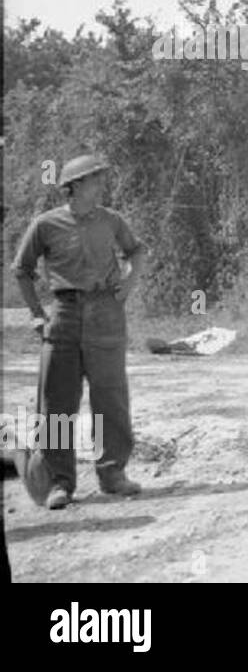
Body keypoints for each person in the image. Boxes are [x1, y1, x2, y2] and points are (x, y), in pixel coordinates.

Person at [11, 154, 149, 509]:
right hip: (65, 315)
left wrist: (129, 284)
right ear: (73, 186)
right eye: (93, 179)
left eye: (101, 178)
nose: (101, 184)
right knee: (57, 404)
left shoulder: (111, 221)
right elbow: (22, 269)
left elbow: (136, 251)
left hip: (106, 313)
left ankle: (112, 472)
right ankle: (60, 482)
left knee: (110, 399)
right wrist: (36, 316)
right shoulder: (46, 224)